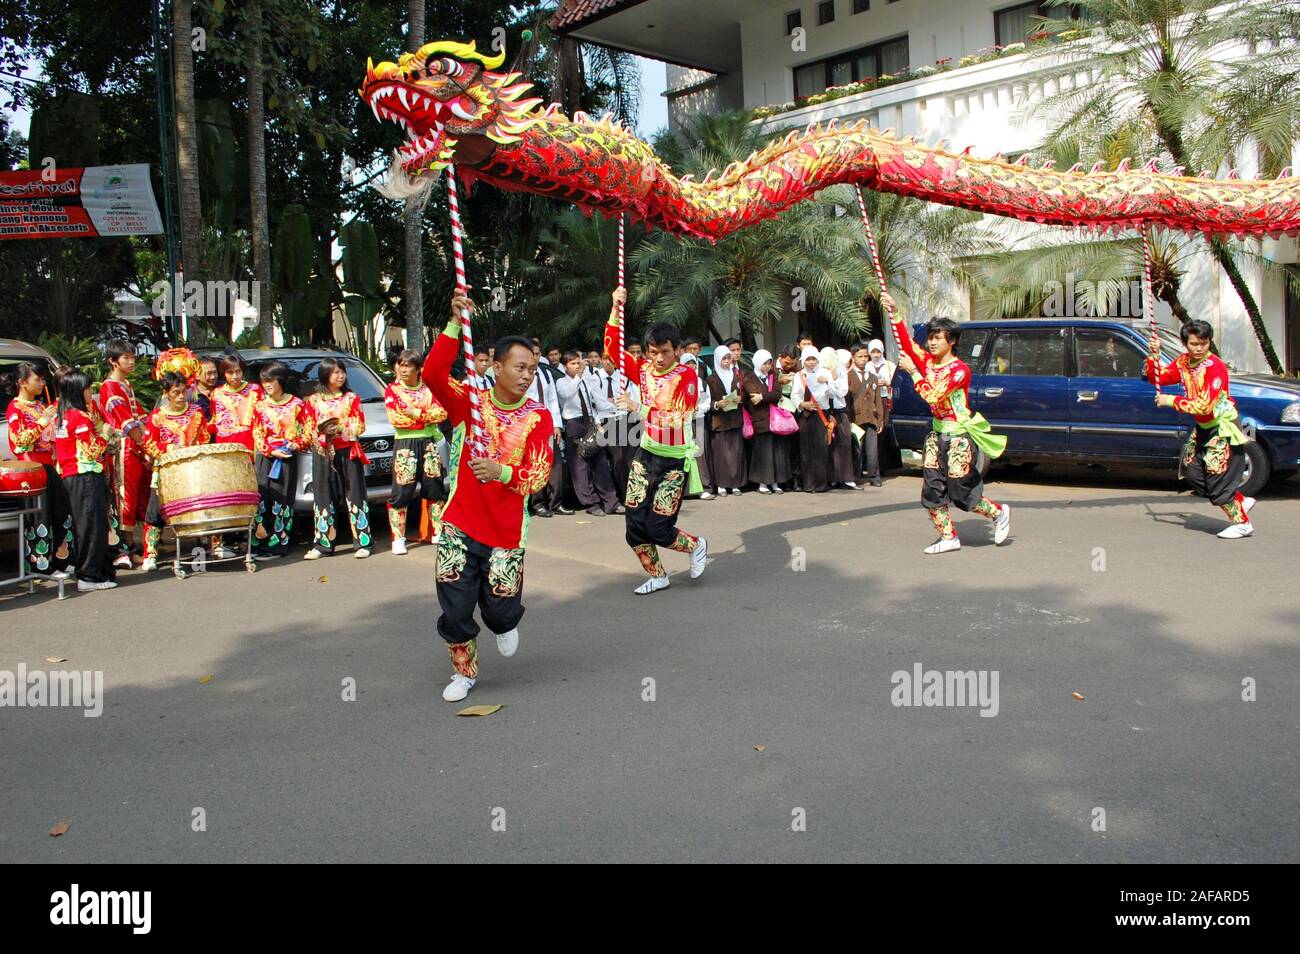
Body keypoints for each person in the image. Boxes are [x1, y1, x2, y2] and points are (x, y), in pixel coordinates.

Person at [422, 294, 555, 702]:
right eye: (520, 367)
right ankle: (464, 671)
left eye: (532, 368)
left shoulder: (538, 417)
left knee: (499, 610)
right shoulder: (469, 404)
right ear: (496, 367)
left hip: (505, 530)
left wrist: (501, 471)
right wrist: (451, 322)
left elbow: (539, 476)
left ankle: (505, 621)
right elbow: (432, 374)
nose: (527, 375)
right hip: (460, 523)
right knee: (456, 607)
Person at [605, 287, 708, 594]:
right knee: (634, 526)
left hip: (674, 461)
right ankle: (658, 575)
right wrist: (615, 308)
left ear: (677, 350)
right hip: (646, 455)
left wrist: (639, 407)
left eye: (665, 351)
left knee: (658, 528)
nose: (659, 358)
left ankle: (696, 545)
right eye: (653, 352)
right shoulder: (643, 370)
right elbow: (611, 349)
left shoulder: (687, 376)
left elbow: (678, 417)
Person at [892, 301, 1010, 554]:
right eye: (930, 338)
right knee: (932, 488)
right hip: (936, 433)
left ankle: (999, 512)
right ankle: (948, 536)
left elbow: (933, 395)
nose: (931, 343)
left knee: (961, 490)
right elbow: (907, 344)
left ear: (952, 341)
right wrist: (895, 311)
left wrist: (913, 372)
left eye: (937, 338)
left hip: (958, 436)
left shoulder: (959, 371)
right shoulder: (928, 361)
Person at [1145, 319, 1257, 538]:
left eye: (1203, 344)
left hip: (1221, 427)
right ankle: (1240, 501)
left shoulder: (1215, 368)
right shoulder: (1184, 362)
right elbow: (1159, 377)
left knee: (1217, 479)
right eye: (1194, 344)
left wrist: (1170, 400)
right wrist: (1153, 355)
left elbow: (1205, 405)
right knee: (1192, 470)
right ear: (1185, 343)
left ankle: (1242, 522)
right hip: (1203, 426)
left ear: (1209, 342)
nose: (1198, 348)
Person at [5, 362, 73, 576]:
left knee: (61, 510)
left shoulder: (41, 406)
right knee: (40, 516)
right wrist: (42, 423)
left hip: (49, 464)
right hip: (31, 467)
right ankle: (40, 565)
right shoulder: (15, 408)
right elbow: (19, 442)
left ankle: (63, 559)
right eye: (38, 379)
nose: (42, 383)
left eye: (43, 379)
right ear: (22, 383)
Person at [139, 371, 210, 571]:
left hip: (192, 469)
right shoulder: (157, 417)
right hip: (165, 470)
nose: (180, 396)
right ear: (166, 394)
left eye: (183, 392)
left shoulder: (196, 412)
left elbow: (204, 438)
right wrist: (168, 448)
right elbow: (148, 444)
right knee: (154, 512)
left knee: (204, 505)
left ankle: (216, 544)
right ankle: (149, 554)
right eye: (176, 392)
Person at [54, 371, 117, 591]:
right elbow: (91, 451)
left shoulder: (62, 416)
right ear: (78, 391)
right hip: (85, 475)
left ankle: (88, 571)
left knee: (85, 525)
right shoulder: (80, 417)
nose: (92, 393)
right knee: (93, 525)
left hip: (70, 476)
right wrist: (106, 434)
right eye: (88, 389)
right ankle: (89, 576)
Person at [305, 357, 372, 560]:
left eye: (342, 371)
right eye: (335, 372)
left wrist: (342, 428)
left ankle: (363, 542)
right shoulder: (313, 401)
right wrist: (319, 434)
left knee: (356, 495)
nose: (340, 375)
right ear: (325, 375)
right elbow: (307, 428)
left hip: (348, 451)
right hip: (323, 452)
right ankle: (323, 543)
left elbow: (359, 425)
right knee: (323, 497)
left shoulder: (351, 398)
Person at [384, 349, 448, 554]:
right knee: (402, 490)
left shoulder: (429, 389)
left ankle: (437, 530)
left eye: (408, 365)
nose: (403, 369)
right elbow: (396, 419)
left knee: (434, 486)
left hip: (428, 444)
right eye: (400, 365)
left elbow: (442, 413)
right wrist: (424, 418)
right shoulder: (392, 390)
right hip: (405, 444)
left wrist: (416, 413)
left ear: (418, 368)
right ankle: (398, 538)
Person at [251, 361, 312, 559]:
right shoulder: (259, 406)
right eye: (264, 381)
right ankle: (259, 541)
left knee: (282, 499)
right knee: (262, 498)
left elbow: (307, 431)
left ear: (281, 381)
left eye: (271, 380)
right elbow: (257, 434)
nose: (267, 385)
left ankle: (278, 544)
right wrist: (269, 450)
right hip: (266, 456)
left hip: (286, 456)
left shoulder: (296, 405)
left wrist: (297, 444)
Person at [99, 339, 149, 565]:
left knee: (137, 494)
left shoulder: (125, 384)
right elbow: (126, 422)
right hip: (123, 449)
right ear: (112, 361)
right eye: (125, 358)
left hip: (134, 447)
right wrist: (147, 446)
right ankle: (126, 548)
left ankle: (138, 544)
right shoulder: (109, 386)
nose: (130, 361)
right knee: (124, 497)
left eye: (132, 357)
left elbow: (139, 415)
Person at [556, 349, 622, 515]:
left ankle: (611, 502)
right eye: (573, 363)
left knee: (600, 463)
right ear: (565, 367)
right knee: (580, 467)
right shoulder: (561, 382)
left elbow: (593, 403)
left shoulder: (586, 380)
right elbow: (568, 393)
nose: (577, 366)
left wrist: (598, 422)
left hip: (590, 422)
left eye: (578, 363)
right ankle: (591, 503)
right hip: (574, 424)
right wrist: (578, 376)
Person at [526, 340, 568, 517]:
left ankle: (556, 502)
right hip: (531, 424)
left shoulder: (546, 373)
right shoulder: (522, 374)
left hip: (549, 424)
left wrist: (557, 424)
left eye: (537, 354)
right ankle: (539, 503)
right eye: (532, 354)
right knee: (537, 463)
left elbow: (552, 401)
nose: (535, 358)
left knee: (556, 464)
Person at [741, 349, 790, 494]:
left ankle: (775, 482)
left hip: (774, 421)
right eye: (765, 363)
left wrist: (762, 397)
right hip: (759, 419)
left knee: (775, 452)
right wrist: (765, 396)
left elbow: (776, 394)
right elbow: (752, 395)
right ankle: (762, 483)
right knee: (763, 453)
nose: (767, 366)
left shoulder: (773, 376)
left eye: (769, 363)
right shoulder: (749, 377)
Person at [847, 341, 890, 487]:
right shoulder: (848, 376)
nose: (864, 359)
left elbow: (878, 399)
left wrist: (881, 419)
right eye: (860, 356)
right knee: (857, 449)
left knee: (873, 450)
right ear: (853, 357)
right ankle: (855, 475)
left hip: (871, 417)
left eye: (866, 356)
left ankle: (874, 476)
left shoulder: (873, 377)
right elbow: (847, 399)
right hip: (856, 418)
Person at [791, 347, 833, 493]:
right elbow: (794, 395)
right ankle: (808, 484)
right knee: (806, 450)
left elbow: (834, 394)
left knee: (821, 450)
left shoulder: (825, 373)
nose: (810, 362)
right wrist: (803, 404)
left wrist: (827, 382)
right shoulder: (799, 375)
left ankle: (821, 484)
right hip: (806, 415)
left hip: (822, 415)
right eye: (808, 359)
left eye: (813, 359)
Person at [707, 345, 746, 495]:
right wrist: (716, 404)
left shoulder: (736, 376)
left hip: (735, 419)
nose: (727, 361)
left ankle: (735, 484)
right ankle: (722, 485)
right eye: (724, 358)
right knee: (721, 454)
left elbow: (744, 394)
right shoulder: (711, 379)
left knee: (736, 452)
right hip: (720, 421)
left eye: (728, 358)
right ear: (717, 359)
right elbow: (706, 399)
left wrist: (739, 398)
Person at [821, 347, 858, 489]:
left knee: (844, 443)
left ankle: (847, 477)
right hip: (825, 410)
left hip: (840, 410)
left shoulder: (841, 371)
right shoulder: (820, 372)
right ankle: (832, 478)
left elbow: (842, 392)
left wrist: (832, 381)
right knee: (830, 446)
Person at [680, 352, 715, 499]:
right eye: (687, 363)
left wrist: (699, 410)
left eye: (692, 363)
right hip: (682, 423)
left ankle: (704, 487)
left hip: (699, 420)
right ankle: (685, 490)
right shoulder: (677, 381)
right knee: (685, 454)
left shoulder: (701, 382)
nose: (690, 366)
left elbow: (707, 401)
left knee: (700, 454)